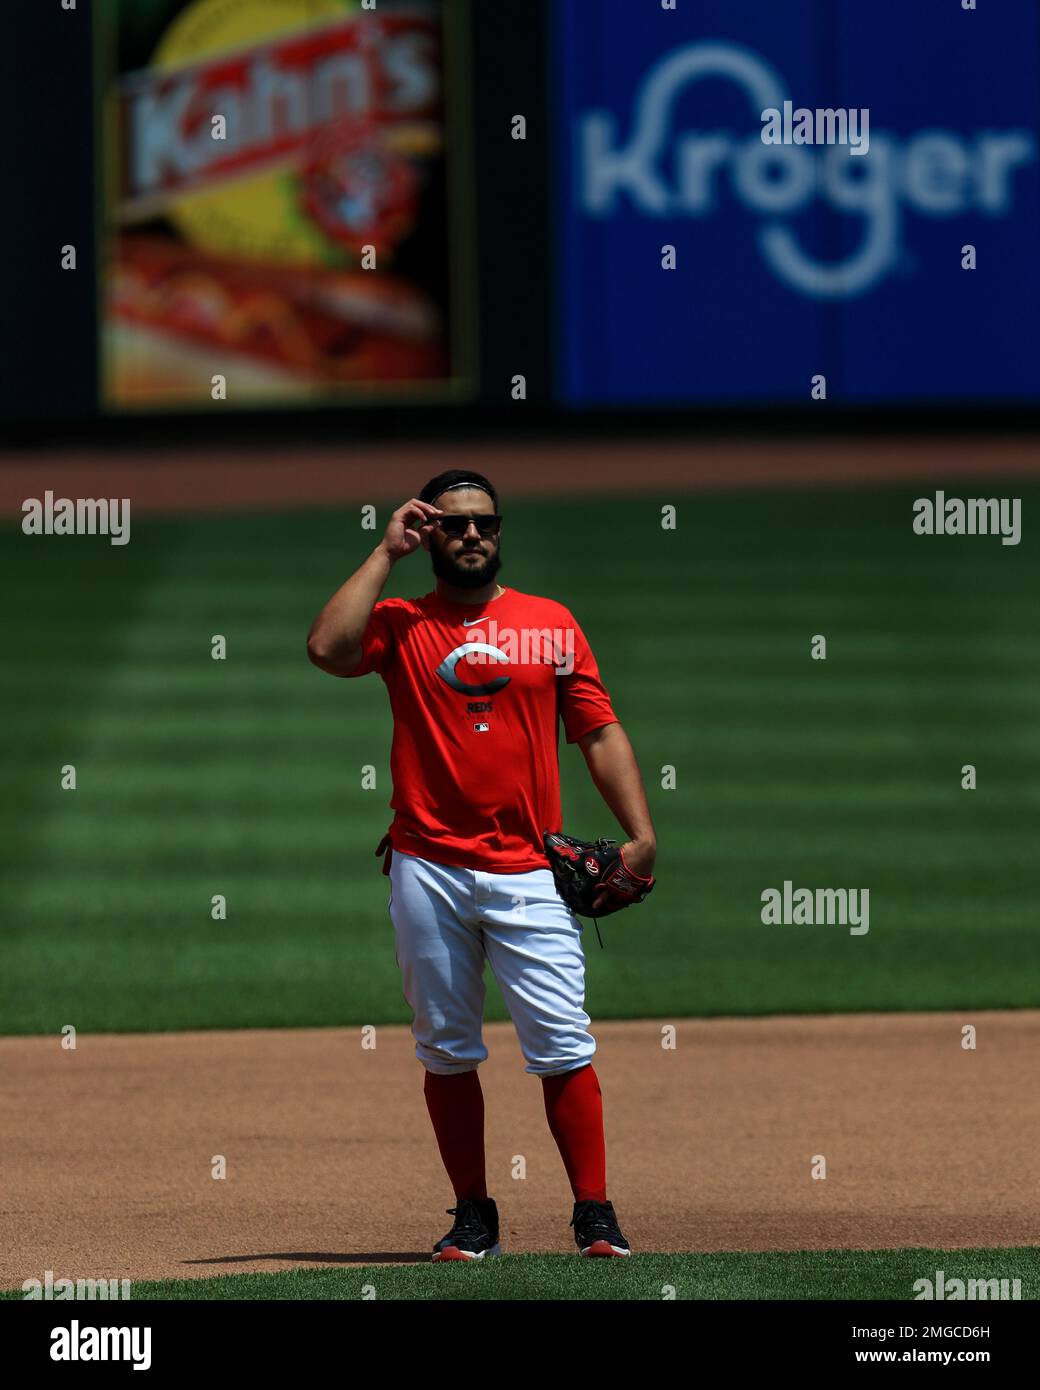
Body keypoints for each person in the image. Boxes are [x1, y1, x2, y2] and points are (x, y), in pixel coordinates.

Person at [307, 469, 657, 1259]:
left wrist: (640, 832)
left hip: (530, 868)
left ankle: (594, 1213)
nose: (472, 536)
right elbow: (327, 648)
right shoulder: (401, 622)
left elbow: (598, 732)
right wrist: (384, 550)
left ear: (499, 534)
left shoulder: (549, 623)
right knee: (446, 1045)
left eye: (485, 524)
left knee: (564, 1042)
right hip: (426, 866)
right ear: (430, 534)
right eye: (455, 525)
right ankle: (473, 1214)